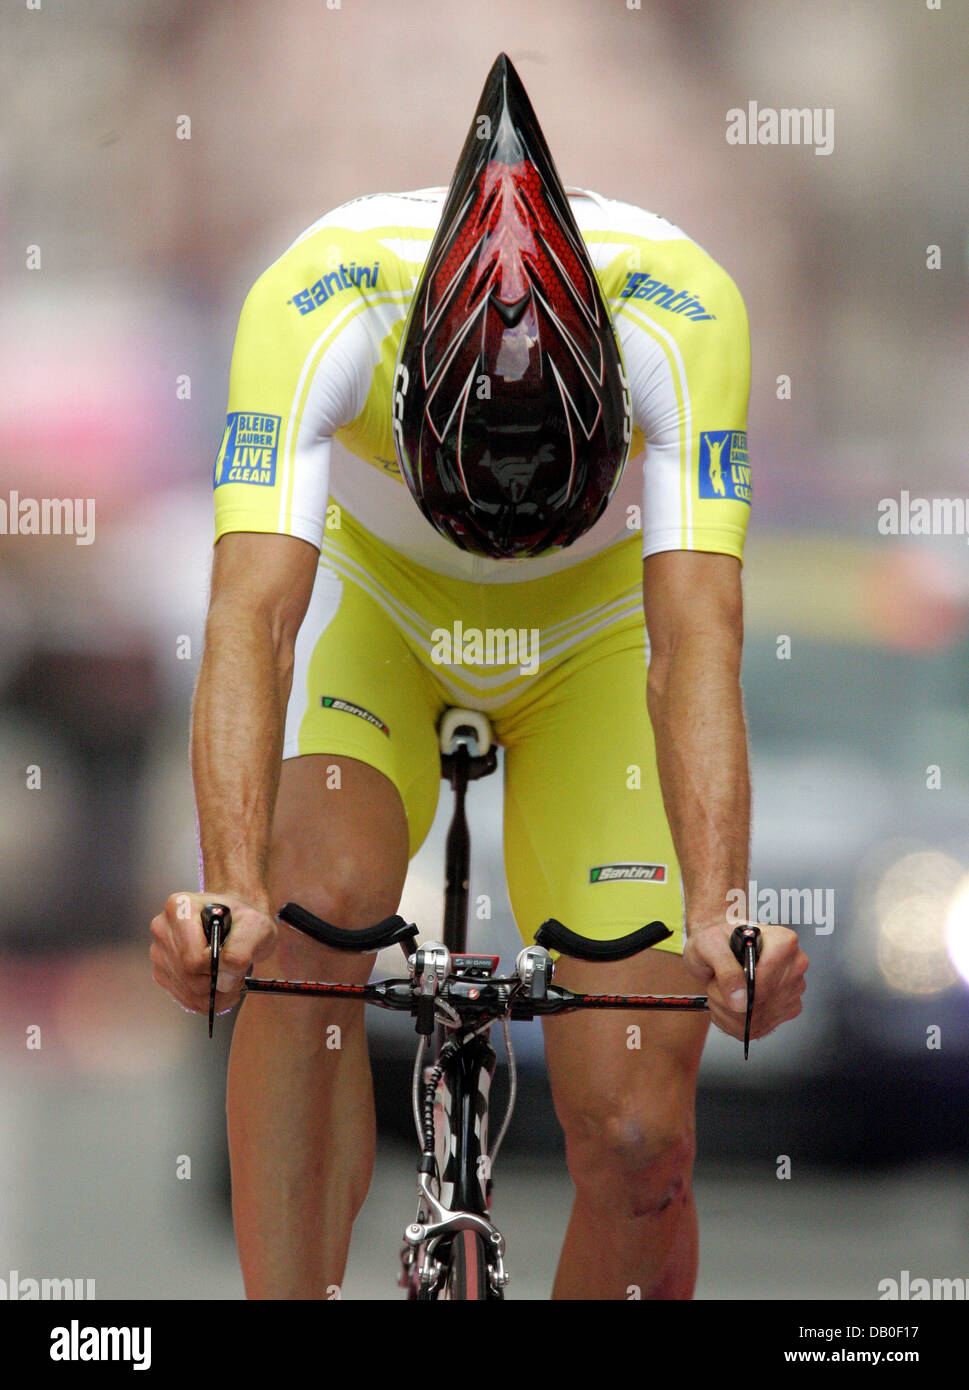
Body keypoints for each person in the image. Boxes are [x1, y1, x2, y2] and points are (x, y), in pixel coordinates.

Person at [150, 52, 807, 1300]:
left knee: (638, 1136)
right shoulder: (316, 299)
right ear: (402, 394)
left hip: (599, 641)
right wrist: (224, 889)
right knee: (305, 908)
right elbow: (251, 623)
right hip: (383, 618)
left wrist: (723, 910)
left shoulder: (685, 311)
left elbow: (696, 644)